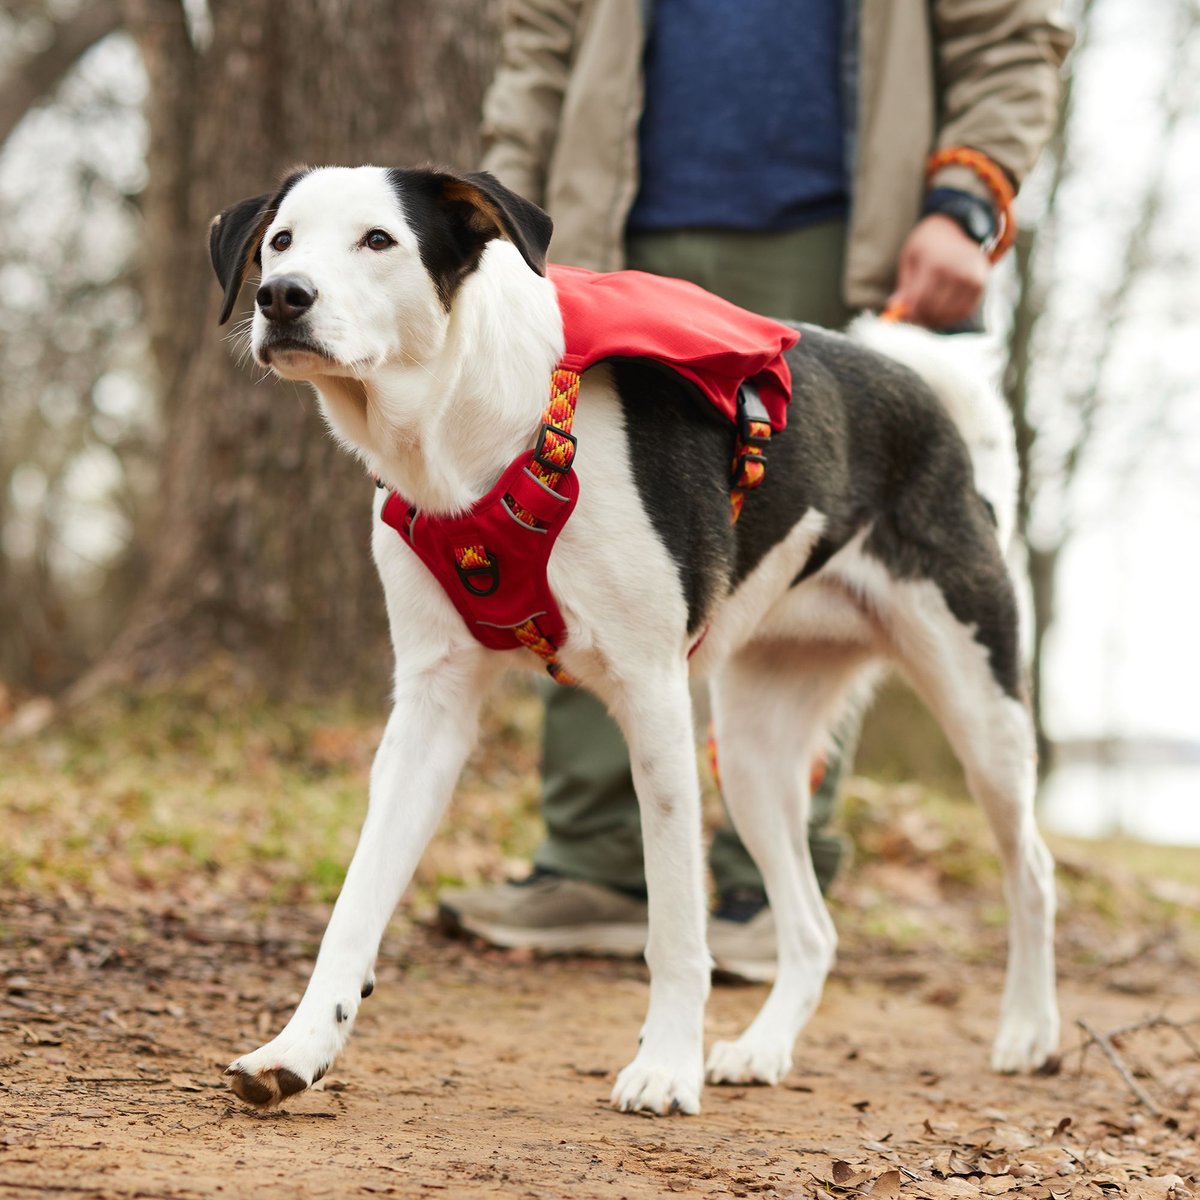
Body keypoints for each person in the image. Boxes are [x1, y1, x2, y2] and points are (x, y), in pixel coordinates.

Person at [439, 0, 1072, 978]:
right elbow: (540, 34)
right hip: (606, 222)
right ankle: (598, 863)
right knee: (586, 527)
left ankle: (763, 892)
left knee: (804, 538)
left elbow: (1009, 30)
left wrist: (966, 199)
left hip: (835, 231)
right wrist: (501, 212)